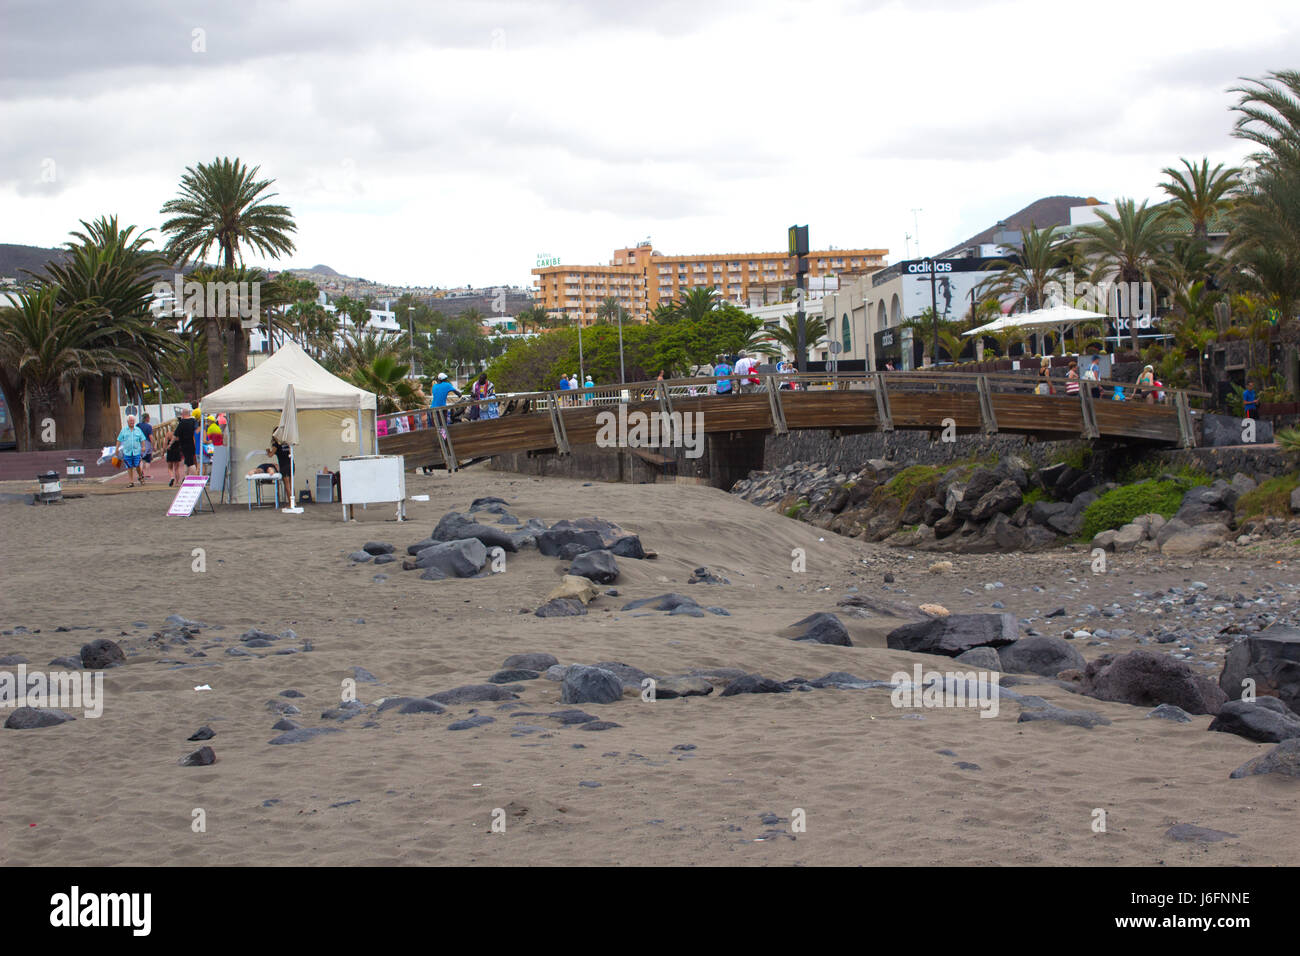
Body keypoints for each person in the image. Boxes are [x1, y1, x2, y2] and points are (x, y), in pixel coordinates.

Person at [167, 406, 199, 484]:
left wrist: (170, 444)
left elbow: (175, 435)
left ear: (183, 414)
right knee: (187, 461)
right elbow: (197, 430)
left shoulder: (182, 423)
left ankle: (196, 478)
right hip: (192, 444)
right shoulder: (193, 421)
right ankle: (186, 476)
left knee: (190, 463)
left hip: (185, 445)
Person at [116, 414, 146, 487]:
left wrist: (143, 446)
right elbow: (119, 439)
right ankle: (131, 482)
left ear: (134, 421)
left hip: (136, 451)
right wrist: (116, 448)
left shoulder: (138, 430)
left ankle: (140, 476)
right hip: (127, 451)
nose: (131, 422)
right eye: (130, 421)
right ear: (127, 422)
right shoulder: (123, 430)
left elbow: (142, 439)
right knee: (129, 467)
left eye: (133, 421)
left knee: (137, 465)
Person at [271, 432, 293, 503]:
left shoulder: (276, 444)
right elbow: (290, 453)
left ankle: (291, 502)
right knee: (291, 484)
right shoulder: (286, 442)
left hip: (284, 465)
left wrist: (268, 451)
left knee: (287, 485)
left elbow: (271, 454)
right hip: (291, 463)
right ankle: (293, 502)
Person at [138, 412, 154, 481]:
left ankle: (140, 474)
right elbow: (151, 437)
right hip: (147, 443)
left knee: (141, 459)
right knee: (147, 459)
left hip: (139, 443)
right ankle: (147, 474)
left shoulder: (138, 425)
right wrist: (153, 445)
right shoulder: (149, 426)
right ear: (147, 418)